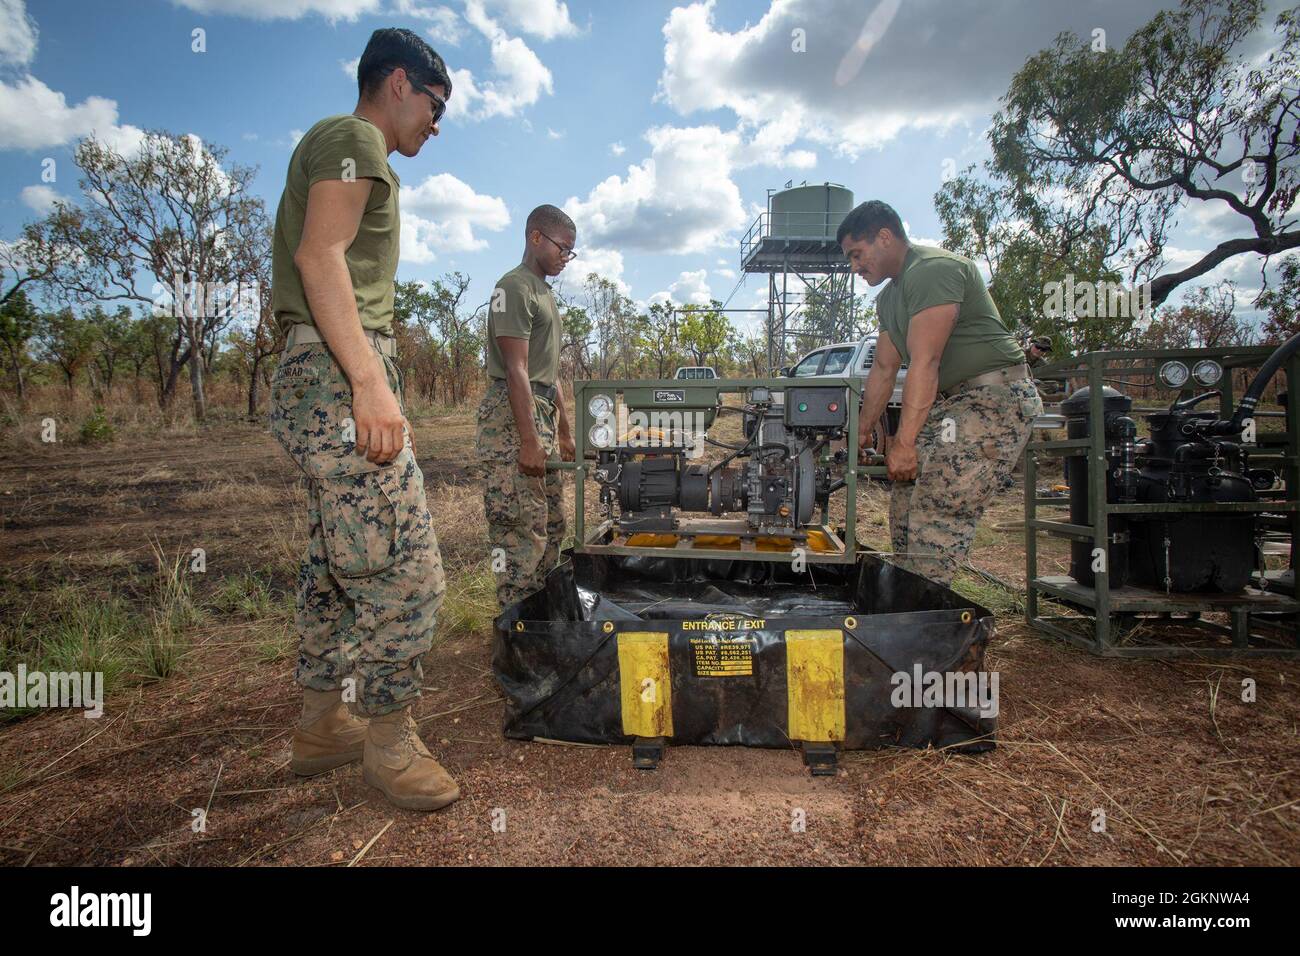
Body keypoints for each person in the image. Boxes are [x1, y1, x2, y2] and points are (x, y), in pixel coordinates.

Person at [269, 27, 459, 811]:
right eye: (433, 103)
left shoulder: (338, 143)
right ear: (396, 85)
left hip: (316, 371)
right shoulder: (354, 139)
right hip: (338, 375)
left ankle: (321, 724)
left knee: (334, 565)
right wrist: (369, 383)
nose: (436, 123)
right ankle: (387, 741)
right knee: (404, 568)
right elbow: (321, 257)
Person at [840, 200, 1043, 586]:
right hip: (954, 405)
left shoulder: (932, 270)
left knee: (938, 507)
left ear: (884, 237)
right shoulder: (889, 299)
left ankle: (925, 615)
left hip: (994, 398)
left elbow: (926, 361)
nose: (854, 267)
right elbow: (883, 368)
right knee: (903, 501)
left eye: (857, 254)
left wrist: (906, 441)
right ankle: (905, 601)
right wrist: (863, 431)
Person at [475, 205, 577, 609]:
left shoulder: (544, 293)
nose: (565, 257)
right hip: (512, 417)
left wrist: (565, 431)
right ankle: (515, 625)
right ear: (536, 237)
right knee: (520, 527)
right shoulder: (513, 287)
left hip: (542, 413)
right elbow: (516, 368)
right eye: (562, 248)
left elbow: (548, 373)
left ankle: (540, 613)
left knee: (553, 522)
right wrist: (529, 439)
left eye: (571, 251)